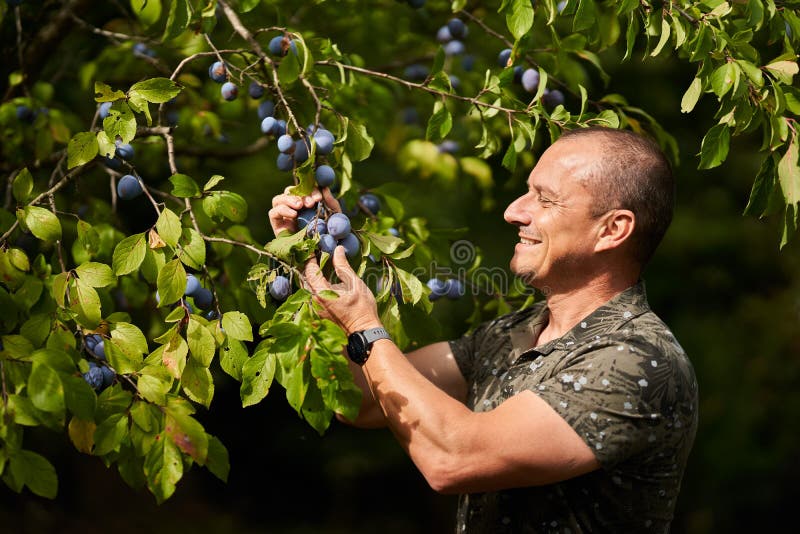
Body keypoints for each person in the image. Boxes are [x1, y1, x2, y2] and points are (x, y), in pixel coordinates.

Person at [268, 127, 698, 533]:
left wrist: (365, 326)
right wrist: (318, 260)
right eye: (526, 191)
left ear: (613, 230)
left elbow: (453, 458)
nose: (514, 211)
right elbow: (359, 400)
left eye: (545, 200)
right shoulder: (511, 334)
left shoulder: (638, 360)